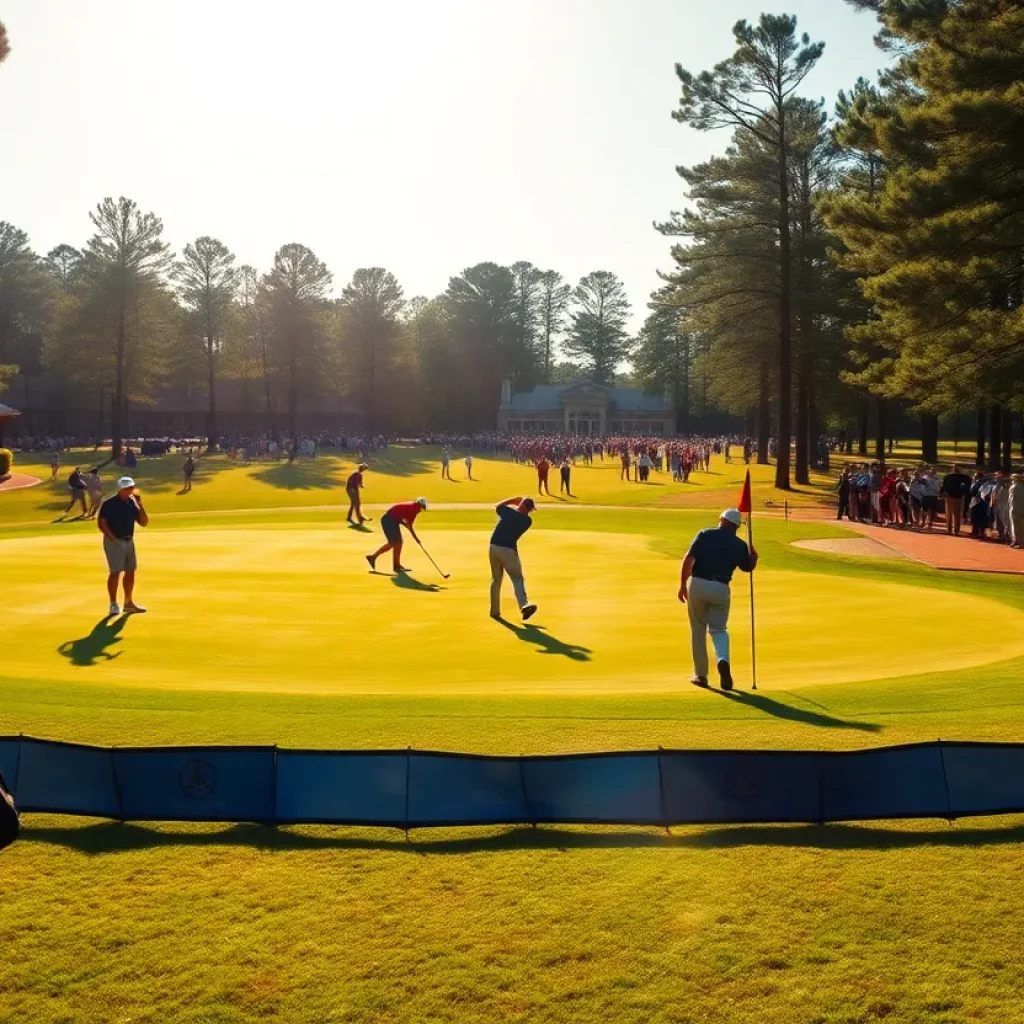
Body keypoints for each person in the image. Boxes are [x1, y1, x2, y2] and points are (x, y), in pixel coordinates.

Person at [678, 508, 758, 690]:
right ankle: (723, 660)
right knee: (719, 629)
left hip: (697, 583)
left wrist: (683, 584)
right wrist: (754, 557)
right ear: (737, 526)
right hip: (721, 587)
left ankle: (701, 676)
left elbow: (688, 559)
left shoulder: (705, 534)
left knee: (698, 629)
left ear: (721, 519)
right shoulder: (740, 545)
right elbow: (747, 567)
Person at [97, 476, 149, 616]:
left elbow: (144, 522)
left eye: (131, 487)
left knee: (130, 571)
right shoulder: (109, 504)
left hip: (128, 540)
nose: (131, 490)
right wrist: (113, 539)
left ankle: (128, 603)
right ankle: (113, 604)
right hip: (114, 541)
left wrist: (140, 504)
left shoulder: (132, 503)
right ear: (121, 489)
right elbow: (102, 523)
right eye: (128, 488)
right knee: (115, 572)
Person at [489, 496, 537, 621]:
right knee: (517, 578)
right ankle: (523, 605)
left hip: (493, 547)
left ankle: (494, 611)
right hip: (508, 550)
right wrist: (517, 503)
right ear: (529, 509)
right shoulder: (527, 521)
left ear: (520, 505)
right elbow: (499, 508)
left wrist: (513, 500)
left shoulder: (508, 512)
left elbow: (497, 506)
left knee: (496, 579)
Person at [367, 497, 428, 573]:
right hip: (388, 520)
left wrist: (415, 537)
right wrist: (416, 539)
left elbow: (406, 523)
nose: (421, 511)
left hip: (392, 520)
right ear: (419, 505)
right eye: (421, 508)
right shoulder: (413, 509)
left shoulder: (413, 507)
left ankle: (394, 565)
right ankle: (392, 565)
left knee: (397, 543)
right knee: (395, 543)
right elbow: (409, 526)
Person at [941, 464, 971, 536]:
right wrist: (964, 492)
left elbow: (943, 486)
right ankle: (956, 530)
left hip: (950, 497)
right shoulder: (964, 477)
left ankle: (949, 530)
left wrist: (942, 492)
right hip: (958, 497)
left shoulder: (948, 477)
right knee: (957, 515)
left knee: (949, 514)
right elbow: (968, 486)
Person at [1009, 473, 1024, 548]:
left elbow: (1012, 500)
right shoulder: (1021, 486)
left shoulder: (1014, 487)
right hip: (1019, 509)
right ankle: (1016, 541)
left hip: (1015, 508)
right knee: (1019, 526)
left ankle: (1019, 542)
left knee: (1016, 526)